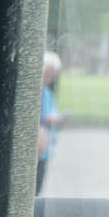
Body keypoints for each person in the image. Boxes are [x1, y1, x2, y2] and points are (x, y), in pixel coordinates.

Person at [36, 50, 63, 193]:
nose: (50, 78)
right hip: (38, 147)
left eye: (53, 75)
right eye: (48, 74)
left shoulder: (46, 93)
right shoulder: (35, 93)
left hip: (45, 148)